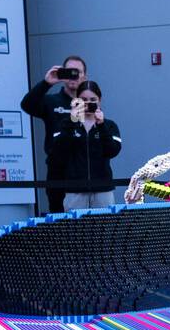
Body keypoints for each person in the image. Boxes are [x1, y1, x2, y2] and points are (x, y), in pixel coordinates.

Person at [21, 56, 88, 213]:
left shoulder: (89, 102)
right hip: (58, 172)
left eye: (77, 72)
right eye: (69, 71)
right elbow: (27, 105)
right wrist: (46, 83)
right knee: (60, 222)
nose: (73, 76)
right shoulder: (52, 101)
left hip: (84, 170)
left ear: (84, 76)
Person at [51, 81, 122, 210]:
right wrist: (72, 122)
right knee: (76, 228)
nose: (88, 103)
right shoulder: (66, 124)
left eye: (92, 99)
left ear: (99, 100)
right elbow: (57, 151)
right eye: (84, 99)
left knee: (103, 227)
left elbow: (112, 151)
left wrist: (101, 126)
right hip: (75, 190)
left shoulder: (109, 125)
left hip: (102, 190)